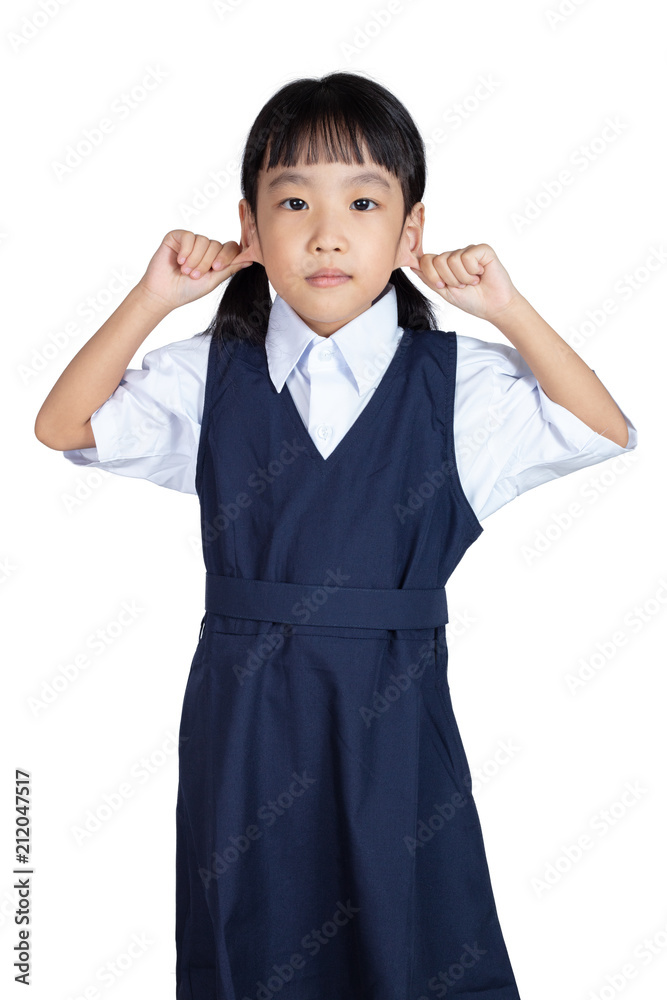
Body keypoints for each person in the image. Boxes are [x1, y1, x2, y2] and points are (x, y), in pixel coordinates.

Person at [35, 71, 637, 999]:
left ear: (409, 232)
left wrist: (507, 309)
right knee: (254, 936)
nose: (325, 232)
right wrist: (153, 297)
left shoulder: (453, 382)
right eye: (292, 201)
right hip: (245, 717)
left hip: (393, 712)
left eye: (361, 201)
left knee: (415, 937)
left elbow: (604, 429)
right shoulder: (211, 376)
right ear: (250, 226)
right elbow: (64, 426)